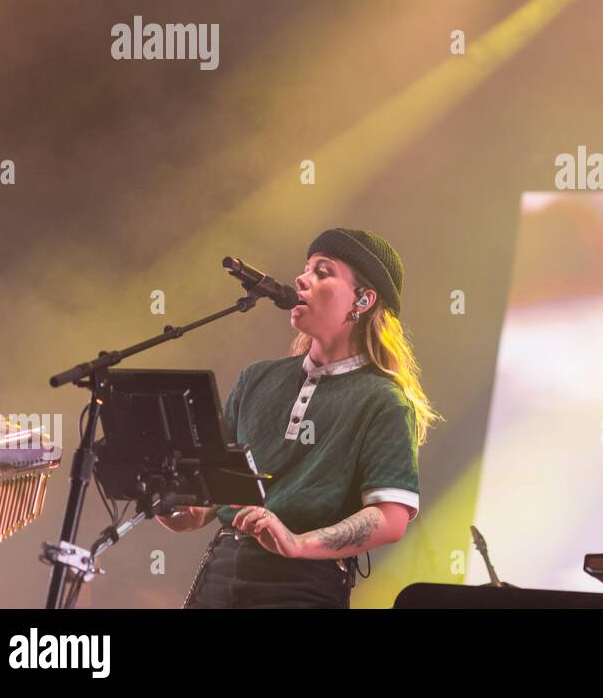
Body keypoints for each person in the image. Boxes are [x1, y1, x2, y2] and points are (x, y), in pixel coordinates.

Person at [157, 227, 441, 608]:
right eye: (305, 268)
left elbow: (391, 518)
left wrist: (297, 543)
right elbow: (202, 506)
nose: (301, 279)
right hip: (222, 570)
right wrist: (166, 500)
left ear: (364, 299)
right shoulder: (256, 377)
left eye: (322, 272)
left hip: (302, 583)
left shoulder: (384, 400)